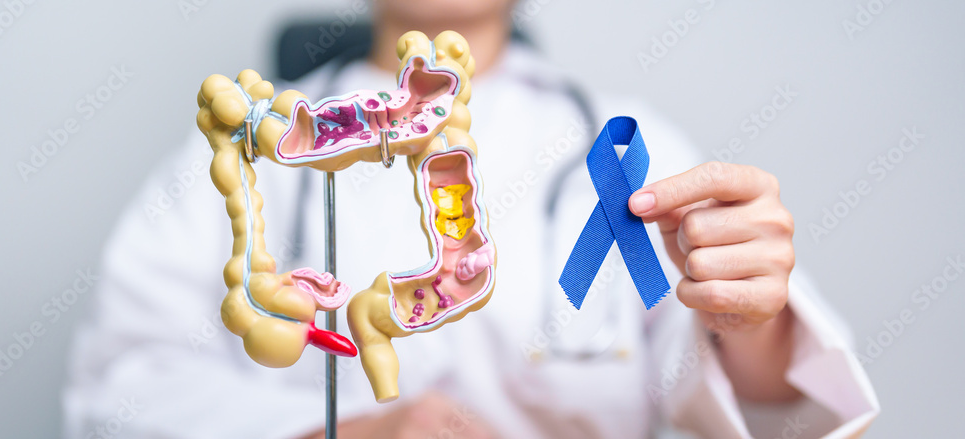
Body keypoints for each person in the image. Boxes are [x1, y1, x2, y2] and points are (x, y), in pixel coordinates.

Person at [62, 0, 879, 438]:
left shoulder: (625, 151)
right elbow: (119, 394)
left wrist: (756, 318)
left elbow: (788, 414)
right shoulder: (250, 152)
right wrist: (338, 432)